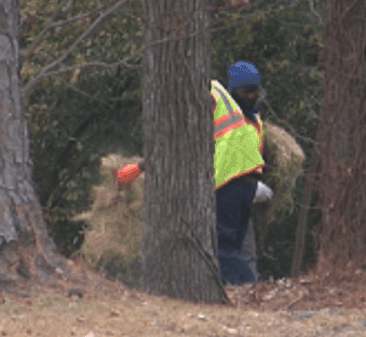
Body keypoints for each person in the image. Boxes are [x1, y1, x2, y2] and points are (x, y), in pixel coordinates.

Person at [116, 60, 271, 284]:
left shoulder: (253, 118)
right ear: (234, 88)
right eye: (247, 91)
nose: (252, 96)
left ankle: (244, 289)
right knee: (227, 247)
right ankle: (244, 288)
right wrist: (143, 165)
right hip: (226, 185)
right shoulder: (216, 96)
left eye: (255, 90)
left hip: (241, 188)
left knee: (231, 247)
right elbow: (180, 134)